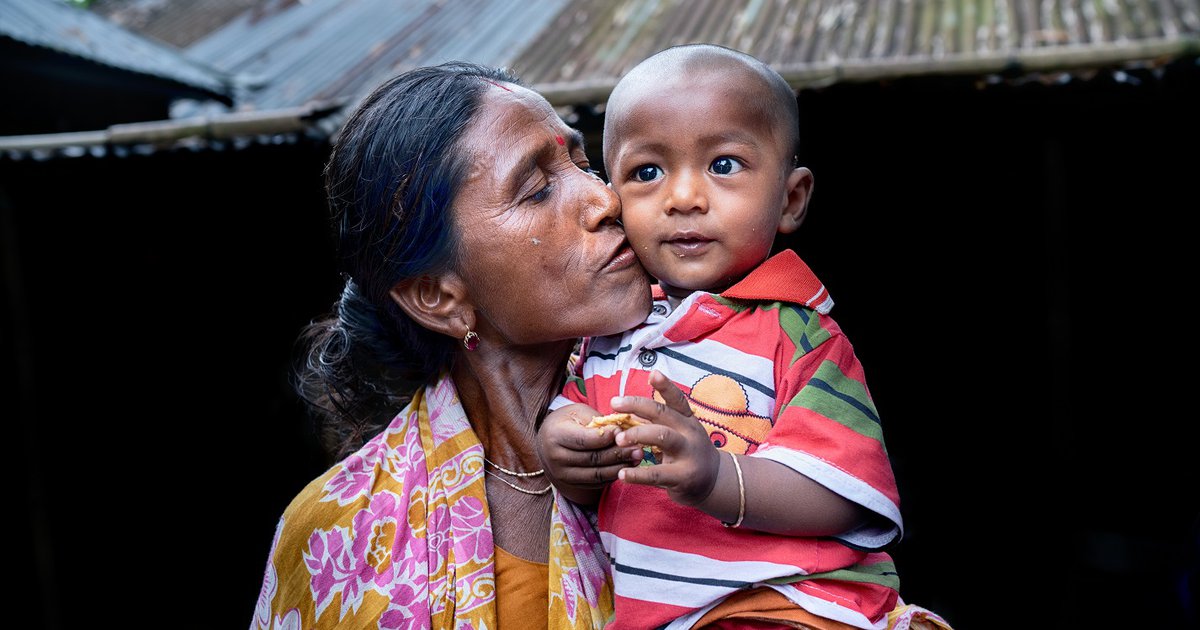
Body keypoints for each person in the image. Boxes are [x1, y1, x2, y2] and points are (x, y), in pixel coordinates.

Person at [538, 44, 954, 630]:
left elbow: (842, 494)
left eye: (724, 165)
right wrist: (562, 448)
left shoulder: (800, 335)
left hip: (792, 607)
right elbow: (584, 450)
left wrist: (717, 477)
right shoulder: (607, 331)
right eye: (647, 172)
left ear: (790, 199)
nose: (684, 198)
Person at [248, 61, 655, 629]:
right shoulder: (335, 538)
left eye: (585, 165)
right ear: (438, 296)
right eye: (537, 190)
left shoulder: (717, 407)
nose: (605, 199)